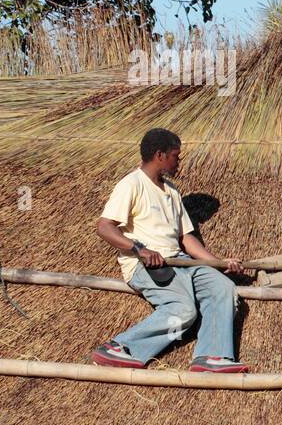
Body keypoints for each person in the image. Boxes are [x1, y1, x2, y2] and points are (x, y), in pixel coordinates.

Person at [91, 128, 251, 373]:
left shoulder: (173, 192)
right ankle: (120, 347)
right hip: (148, 266)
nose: (180, 162)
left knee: (223, 287)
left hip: (180, 261)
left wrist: (218, 263)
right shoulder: (132, 184)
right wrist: (140, 250)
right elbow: (104, 227)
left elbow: (186, 238)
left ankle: (211, 355)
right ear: (160, 155)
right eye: (176, 156)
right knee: (183, 310)